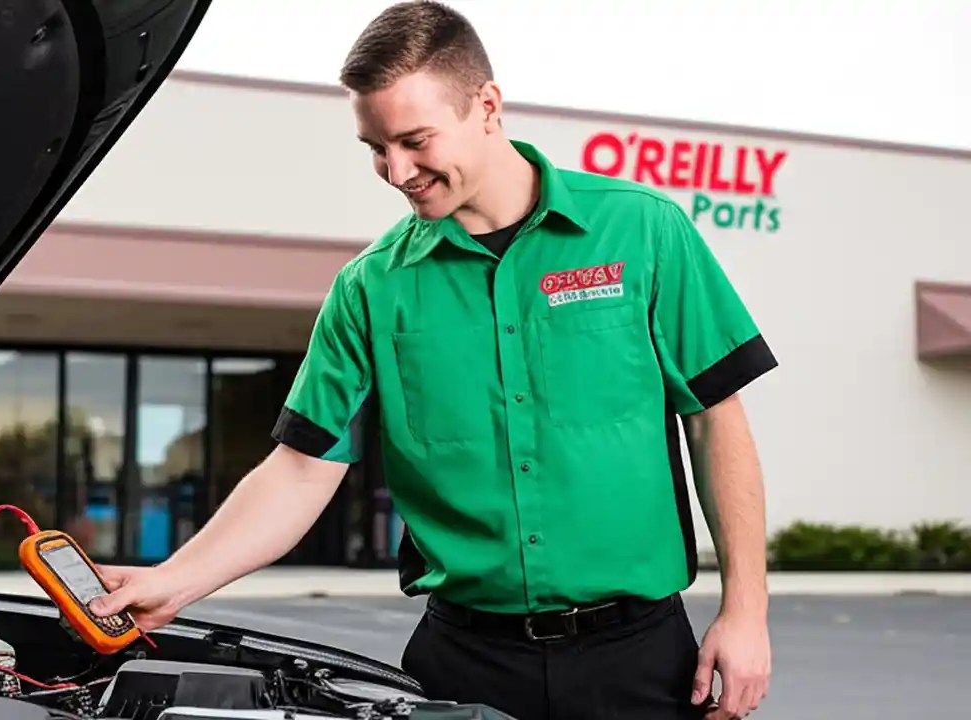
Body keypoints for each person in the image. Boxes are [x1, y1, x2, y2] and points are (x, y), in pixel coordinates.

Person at [88, 2, 776, 718]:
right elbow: (301, 470)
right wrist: (175, 580)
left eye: (415, 141)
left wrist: (746, 612)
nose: (396, 171)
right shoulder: (370, 287)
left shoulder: (643, 230)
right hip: (463, 663)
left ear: (487, 106)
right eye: (375, 147)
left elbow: (715, 421)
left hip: (639, 659)